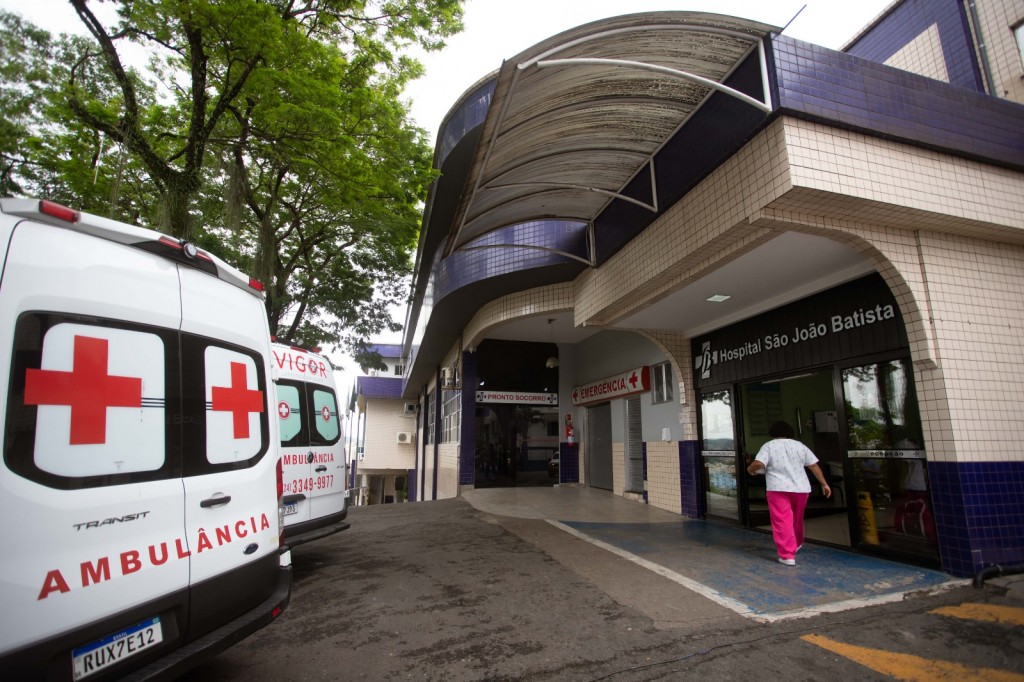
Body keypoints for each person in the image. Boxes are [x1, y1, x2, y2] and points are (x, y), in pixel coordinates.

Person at [746, 420, 831, 566]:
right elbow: (814, 466)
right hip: (801, 488)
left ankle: (787, 555)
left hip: (777, 488)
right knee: (796, 518)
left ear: (772, 433)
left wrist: (750, 469)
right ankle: (796, 544)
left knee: (782, 520)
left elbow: (759, 463)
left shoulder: (769, 446)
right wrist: (824, 484)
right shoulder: (800, 446)